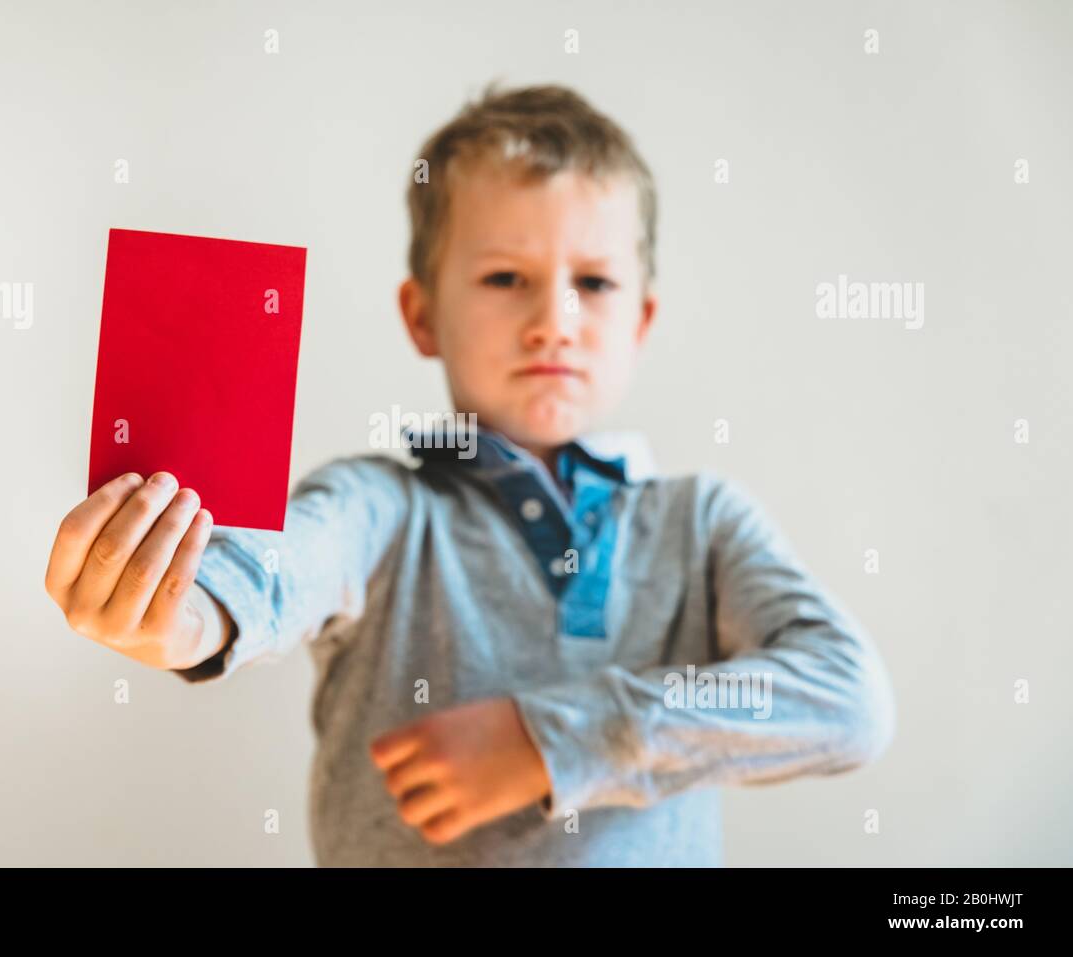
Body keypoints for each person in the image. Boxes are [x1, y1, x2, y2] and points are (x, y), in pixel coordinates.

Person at [44, 83, 895, 866]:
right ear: (422, 315)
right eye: (503, 278)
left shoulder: (702, 524)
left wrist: (552, 740)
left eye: (593, 282)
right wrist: (181, 619)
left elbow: (847, 701)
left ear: (640, 320)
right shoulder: (380, 505)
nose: (553, 322)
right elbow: (272, 573)